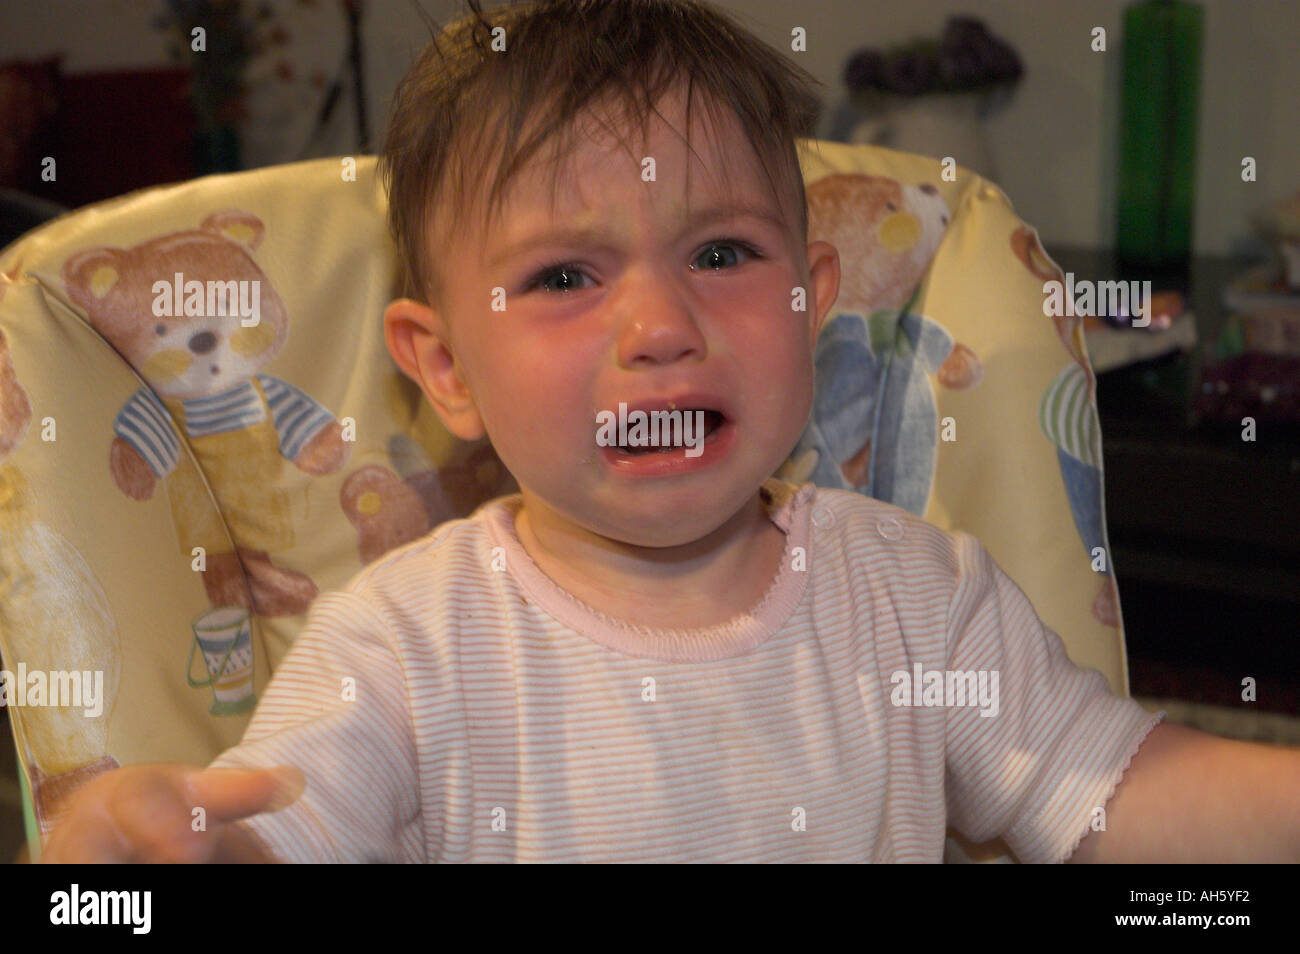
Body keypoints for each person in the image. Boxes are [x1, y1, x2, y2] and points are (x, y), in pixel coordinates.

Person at [42, 0, 1299, 863]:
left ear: (808, 302)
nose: (661, 322)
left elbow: (1129, 800)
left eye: (721, 253)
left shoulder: (918, 603)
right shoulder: (404, 644)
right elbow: (274, 841)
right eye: (562, 278)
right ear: (443, 369)